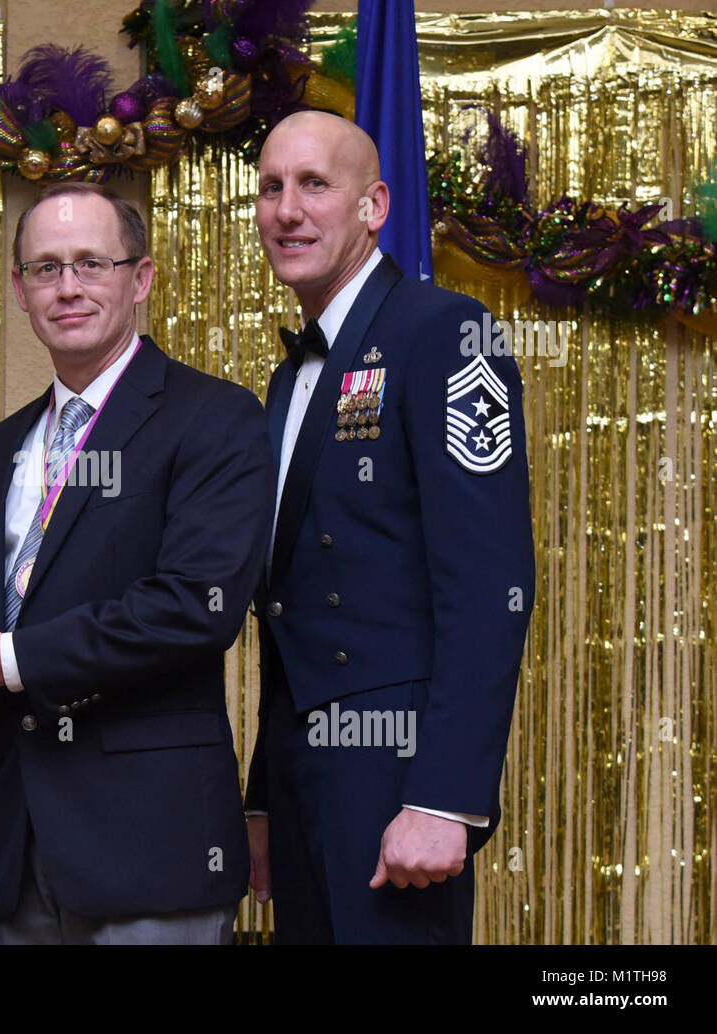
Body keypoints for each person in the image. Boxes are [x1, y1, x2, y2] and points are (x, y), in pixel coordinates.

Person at [0, 182, 274, 944]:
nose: (69, 287)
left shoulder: (217, 418)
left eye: (92, 263)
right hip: (22, 851)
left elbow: (193, 608)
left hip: (152, 846)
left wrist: (12, 658)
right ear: (18, 290)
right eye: (46, 268)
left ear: (140, 278)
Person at [243, 110, 536, 943]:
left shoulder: (446, 332)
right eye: (270, 188)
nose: (287, 210)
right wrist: (267, 791)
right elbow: (294, 608)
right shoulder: (288, 377)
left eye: (314, 185)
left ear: (373, 206)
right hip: (304, 777)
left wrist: (445, 798)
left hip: (399, 775)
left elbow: (491, 584)